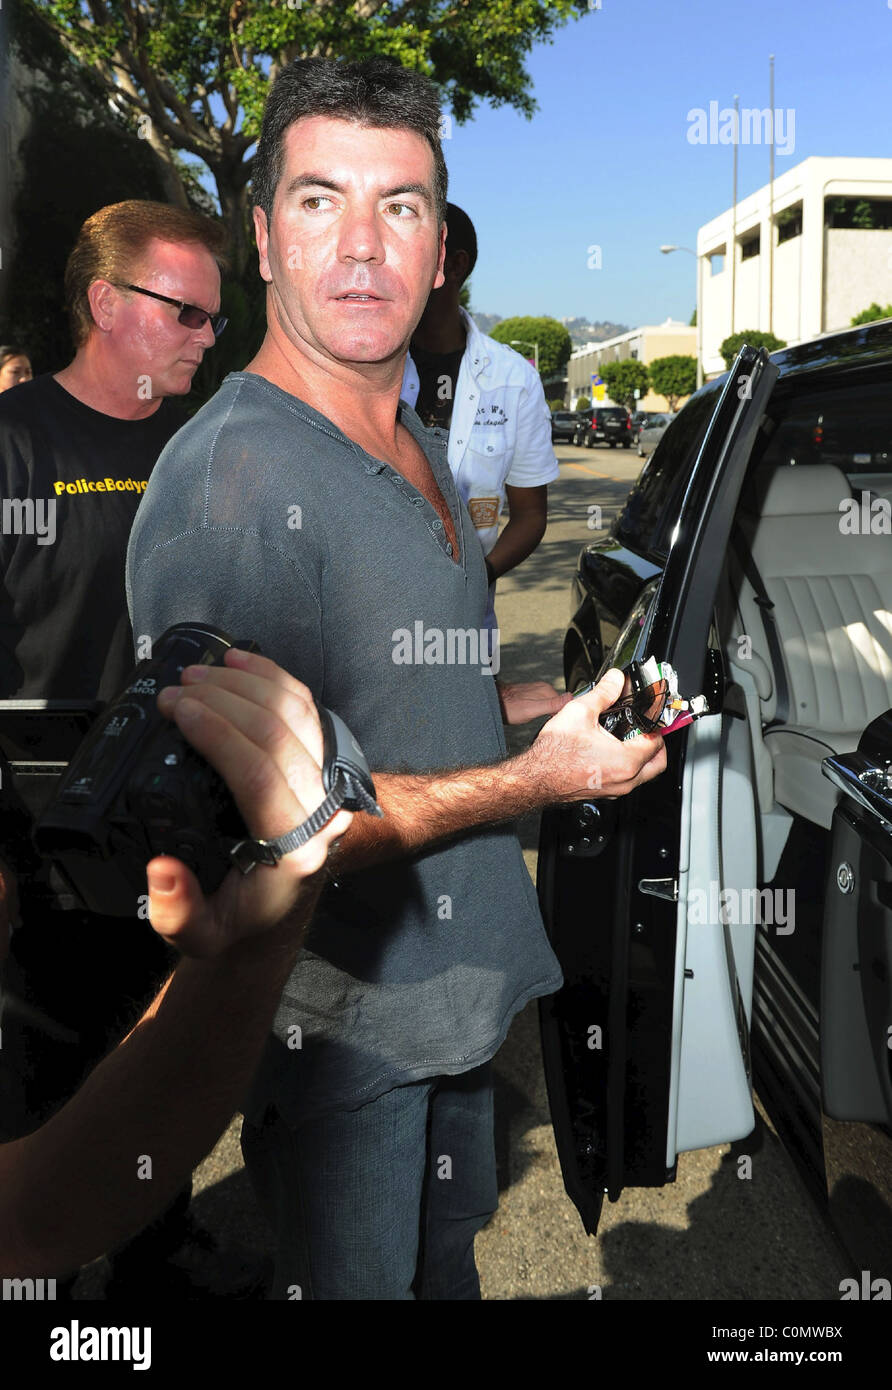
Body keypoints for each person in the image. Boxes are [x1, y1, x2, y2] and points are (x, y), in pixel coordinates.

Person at [126, 55, 666, 1301]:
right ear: (261, 237)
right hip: (341, 1027)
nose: (363, 247)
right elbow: (266, 839)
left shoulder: (407, 428)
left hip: (456, 999)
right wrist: (539, 778)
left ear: (440, 253)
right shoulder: (234, 491)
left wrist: (528, 711)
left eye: (401, 207)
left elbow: (385, 702)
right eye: (321, 201)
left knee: (446, 1268)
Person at [0, 199, 229, 1294]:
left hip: (177, 805)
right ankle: (32, 1260)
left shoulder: (211, 450)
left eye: (213, 319)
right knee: (41, 1059)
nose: (204, 336)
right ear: (106, 303)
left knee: (162, 1053)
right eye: (184, 312)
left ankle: (154, 1251)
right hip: (32, 823)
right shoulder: (13, 443)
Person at [0, 647, 352, 1277]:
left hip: (145, 818)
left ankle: (158, 1258)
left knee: (123, 1033)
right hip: (41, 851)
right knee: (39, 1079)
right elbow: (27, 1223)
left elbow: (31, 1217)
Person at [402, 203, 558, 644]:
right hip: (367, 620)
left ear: (455, 264)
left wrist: (476, 580)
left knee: (471, 715)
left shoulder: (514, 380)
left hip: (468, 631)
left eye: (416, 246)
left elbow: (530, 515)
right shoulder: (367, 364)